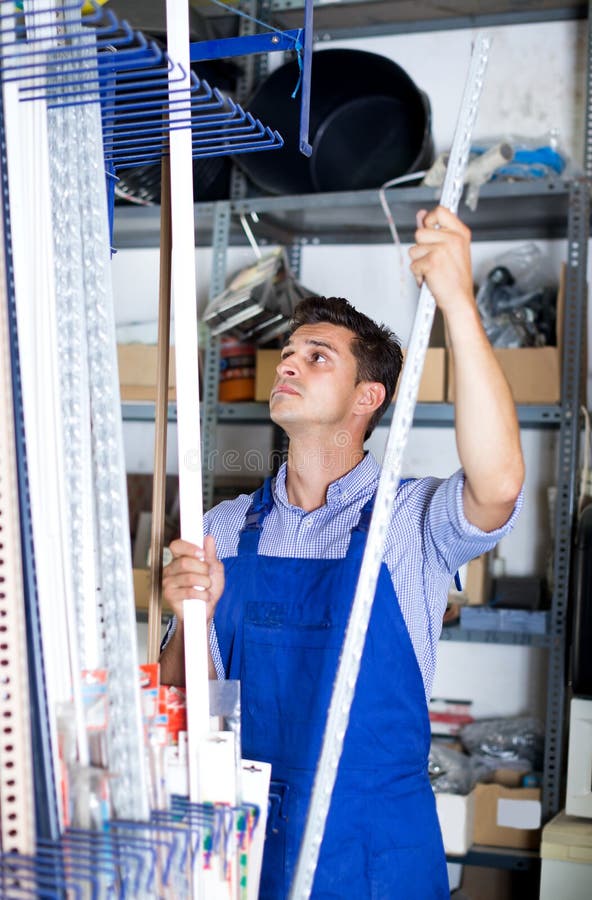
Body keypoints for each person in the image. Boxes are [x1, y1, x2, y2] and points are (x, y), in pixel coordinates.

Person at [160, 206, 525, 899]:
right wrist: (194, 613)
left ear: (368, 397)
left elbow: (501, 481)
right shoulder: (225, 527)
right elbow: (183, 699)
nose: (289, 363)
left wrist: (457, 299)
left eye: (316, 355)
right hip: (247, 852)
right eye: (288, 353)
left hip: (374, 858)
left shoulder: (409, 521)